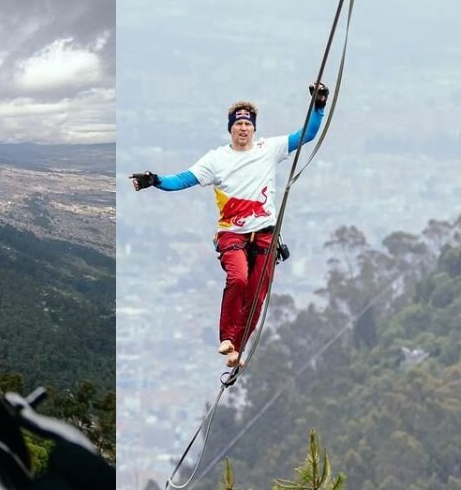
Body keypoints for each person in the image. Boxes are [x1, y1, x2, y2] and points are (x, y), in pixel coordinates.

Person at [129, 83, 329, 368]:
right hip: (232, 233)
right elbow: (184, 179)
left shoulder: (268, 149)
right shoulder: (216, 159)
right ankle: (226, 338)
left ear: (254, 128)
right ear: (230, 129)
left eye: (248, 124)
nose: (244, 129)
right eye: (239, 124)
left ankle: (237, 348)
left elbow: (306, 135)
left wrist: (319, 104)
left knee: (257, 295)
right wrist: (156, 180)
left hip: (265, 233)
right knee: (238, 278)